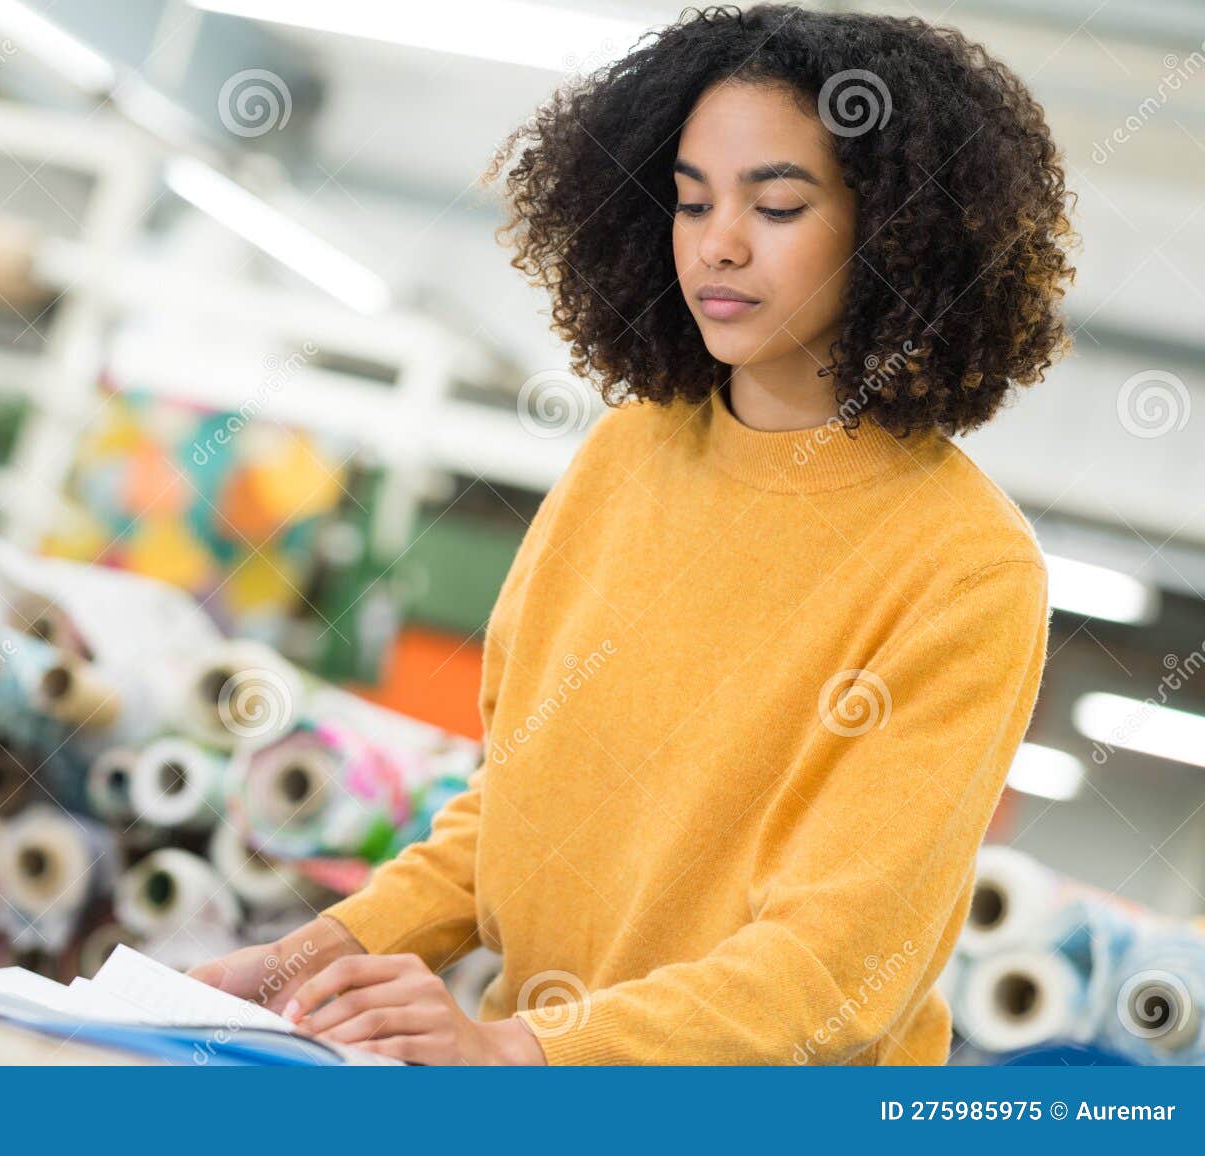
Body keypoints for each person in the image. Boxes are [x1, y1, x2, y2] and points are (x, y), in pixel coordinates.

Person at [190, 2, 1075, 1065]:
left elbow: (831, 975)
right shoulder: (625, 456)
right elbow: (511, 810)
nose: (720, 242)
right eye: (690, 201)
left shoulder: (965, 568)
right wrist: (309, 958)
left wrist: (516, 1050)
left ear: (896, 232)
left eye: (778, 206)